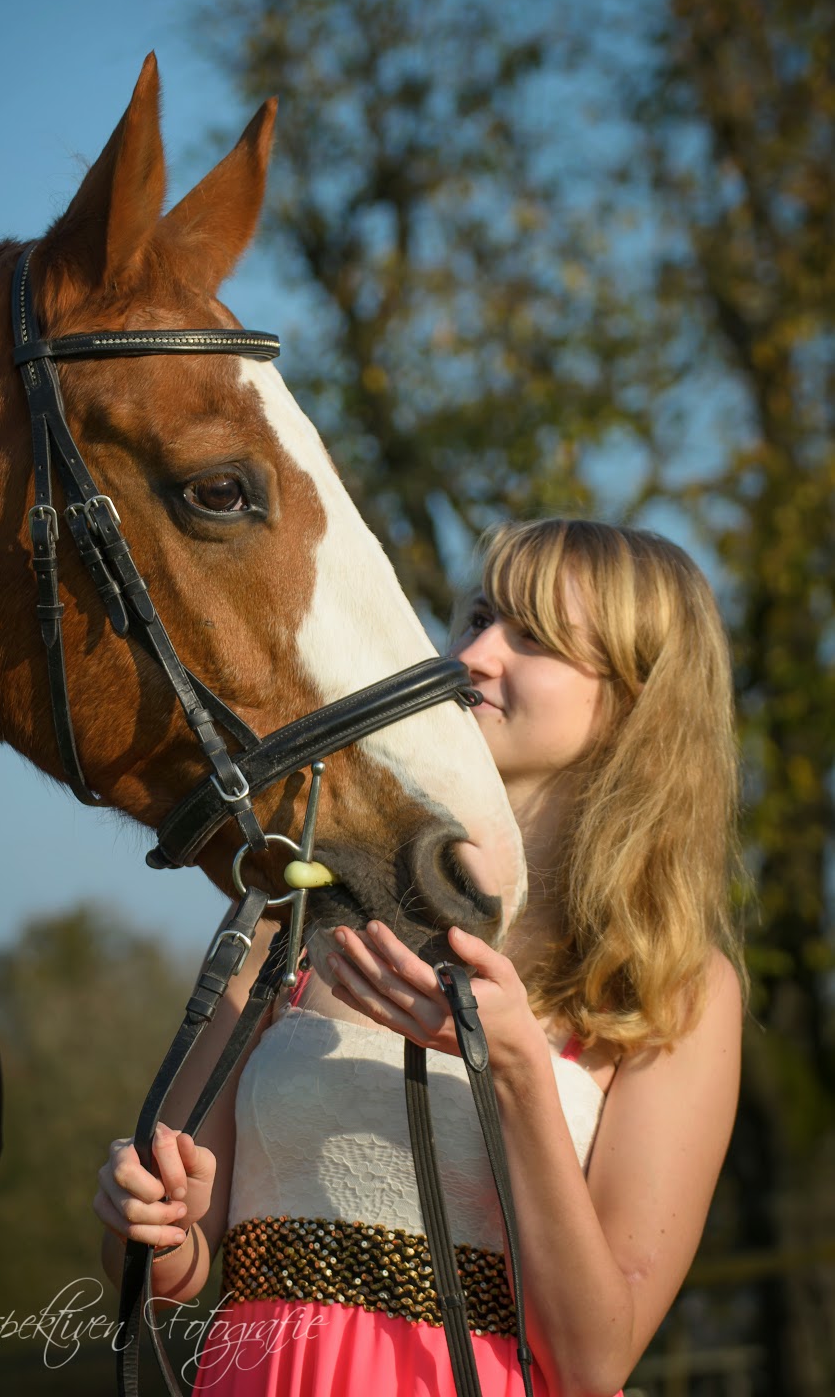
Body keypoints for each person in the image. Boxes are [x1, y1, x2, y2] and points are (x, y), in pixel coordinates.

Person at [94, 518, 747, 1397]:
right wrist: (153, 1225)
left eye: (535, 640)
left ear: (636, 703)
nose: (474, 656)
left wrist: (513, 1066)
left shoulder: (675, 987)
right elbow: (165, 1277)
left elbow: (596, 1363)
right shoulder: (292, 914)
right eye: (476, 617)